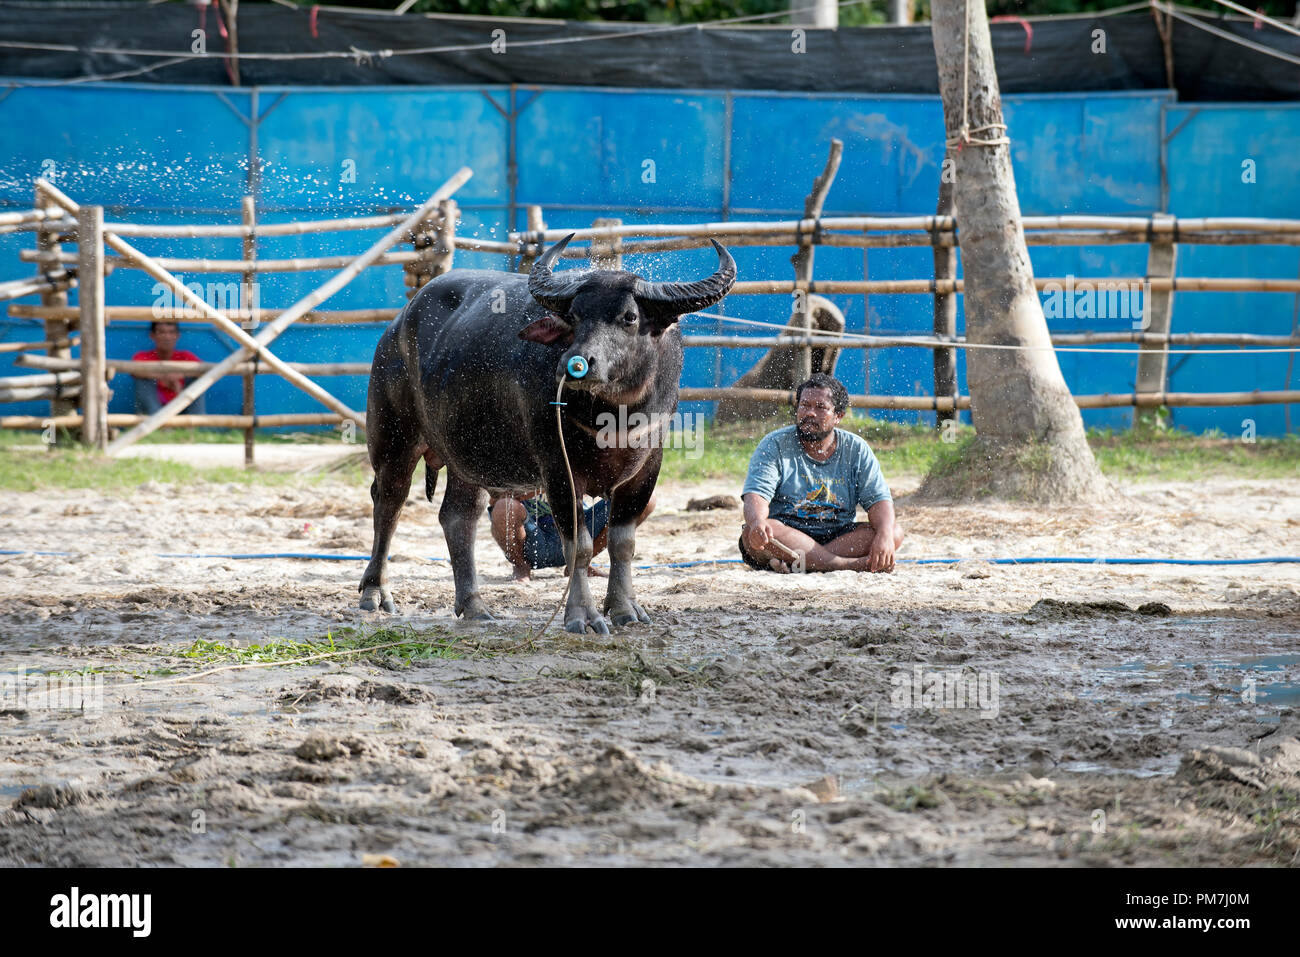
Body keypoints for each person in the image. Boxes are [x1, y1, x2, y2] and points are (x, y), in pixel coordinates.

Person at [740, 372, 903, 573]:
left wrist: (885, 534)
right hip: (787, 533)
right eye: (805, 405)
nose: (810, 413)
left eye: (820, 408)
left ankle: (801, 563)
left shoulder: (856, 448)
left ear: (838, 416)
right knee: (755, 532)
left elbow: (879, 501)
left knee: (893, 532)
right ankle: (843, 565)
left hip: (838, 536)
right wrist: (757, 522)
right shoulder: (774, 444)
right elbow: (756, 495)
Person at [490, 490, 656, 581]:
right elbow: (495, 498)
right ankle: (521, 567)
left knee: (644, 497)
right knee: (504, 506)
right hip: (530, 539)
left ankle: (579, 564)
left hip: (577, 532)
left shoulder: (574, 442)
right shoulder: (512, 449)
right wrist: (551, 482)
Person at [131, 321, 206, 414]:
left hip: (183, 407)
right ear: (152, 335)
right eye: (162, 332)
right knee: (142, 381)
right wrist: (164, 377)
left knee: (197, 380)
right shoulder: (143, 356)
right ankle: (157, 424)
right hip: (153, 409)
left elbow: (204, 370)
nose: (167, 337)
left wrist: (180, 375)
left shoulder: (185, 356)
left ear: (177, 335)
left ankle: (195, 424)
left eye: (171, 332)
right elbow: (134, 370)